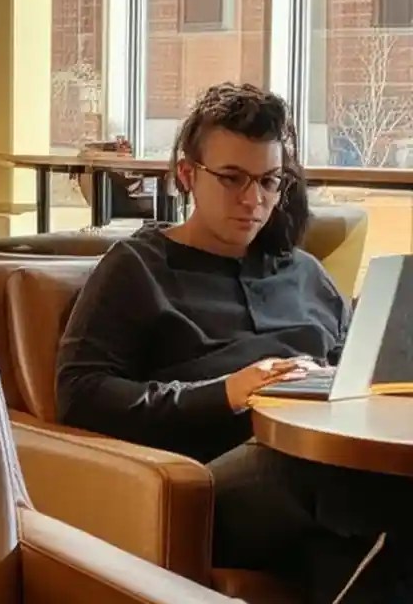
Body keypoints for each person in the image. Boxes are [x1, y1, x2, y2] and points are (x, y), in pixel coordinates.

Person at [55, 83, 411, 603]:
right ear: (186, 176)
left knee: (355, 554)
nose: (254, 200)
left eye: (269, 182)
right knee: (306, 464)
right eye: (232, 179)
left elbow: (359, 378)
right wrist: (226, 391)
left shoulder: (306, 274)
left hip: (316, 478)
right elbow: (79, 394)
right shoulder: (138, 268)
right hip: (203, 481)